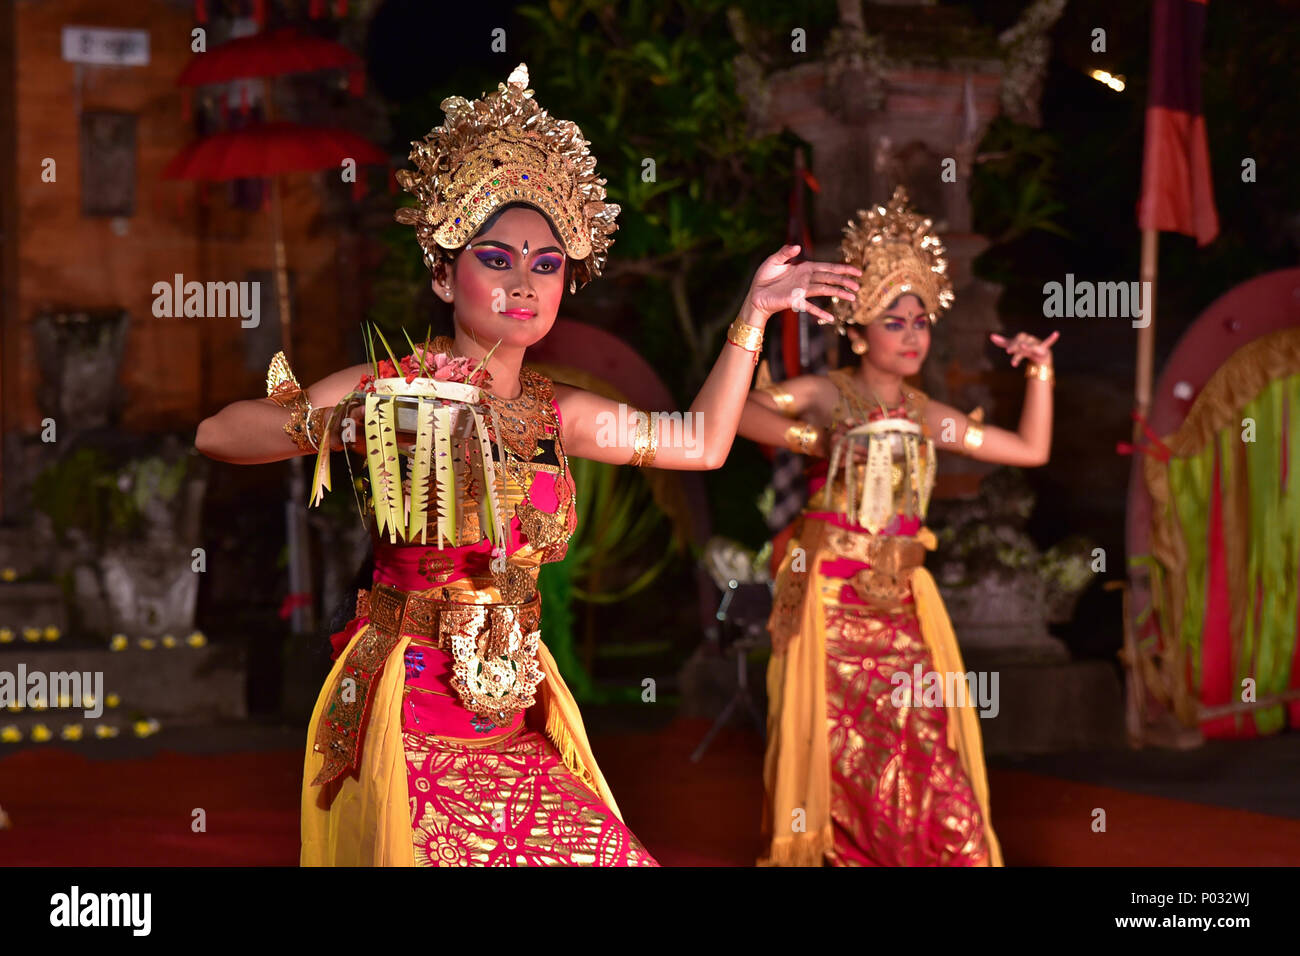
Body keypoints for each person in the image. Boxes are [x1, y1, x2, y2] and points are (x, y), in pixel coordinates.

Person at [194, 63, 860, 866]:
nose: (523, 283)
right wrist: (368, 418)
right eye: (497, 259)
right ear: (443, 273)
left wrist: (753, 316)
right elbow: (220, 434)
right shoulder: (394, 385)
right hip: (406, 712)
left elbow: (701, 443)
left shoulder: (557, 412)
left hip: (516, 711)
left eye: (546, 265)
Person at [739, 186, 1059, 866]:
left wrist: (1041, 376)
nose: (913, 334)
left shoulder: (927, 412)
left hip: (904, 605)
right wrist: (816, 440)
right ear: (855, 331)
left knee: (926, 750)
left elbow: (1029, 450)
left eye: (920, 321)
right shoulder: (828, 392)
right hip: (830, 600)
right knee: (842, 748)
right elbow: (740, 413)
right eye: (894, 320)